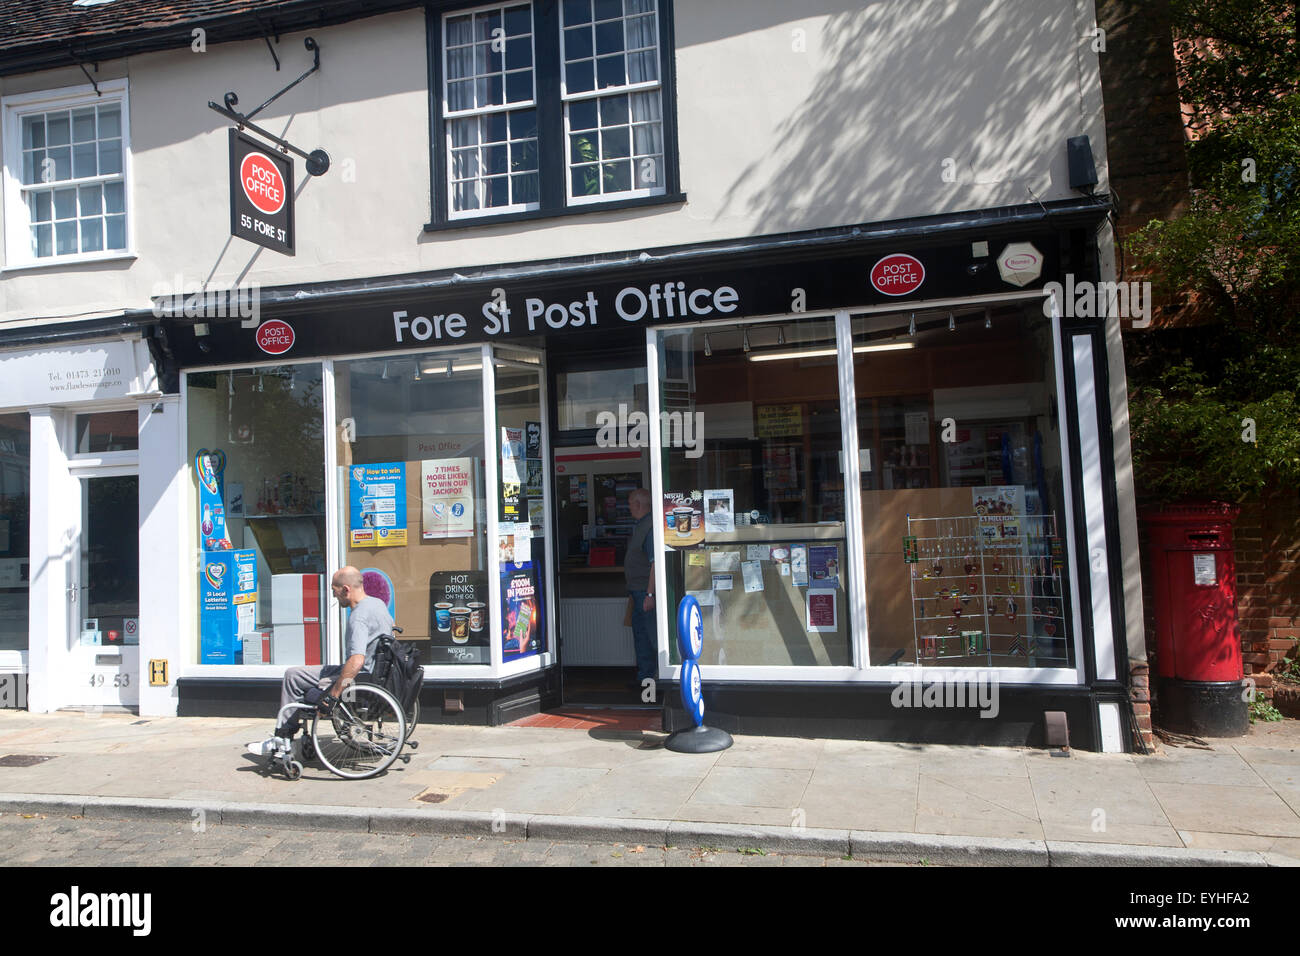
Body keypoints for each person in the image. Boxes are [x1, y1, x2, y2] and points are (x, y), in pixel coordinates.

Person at [246, 565, 394, 759]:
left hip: (359, 677)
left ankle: (282, 740)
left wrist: (333, 695)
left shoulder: (358, 617)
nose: (334, 596)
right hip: (374, 673)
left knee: (293, 679)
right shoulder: (377, 604)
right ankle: (284, 735)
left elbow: (357, 660)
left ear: (346, 590)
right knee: (293, 673)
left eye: (335, 591)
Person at [624, 488, 657, 690]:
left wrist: (650, 594)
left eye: (630, 504)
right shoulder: (642, 525)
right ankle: (645, 680)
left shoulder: (649, 527)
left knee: (648, 637)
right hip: (638, 590)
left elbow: (655, 563)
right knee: (641, 636)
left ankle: (650, 683)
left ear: (638, 504)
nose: (628, 508)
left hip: (644, 592)